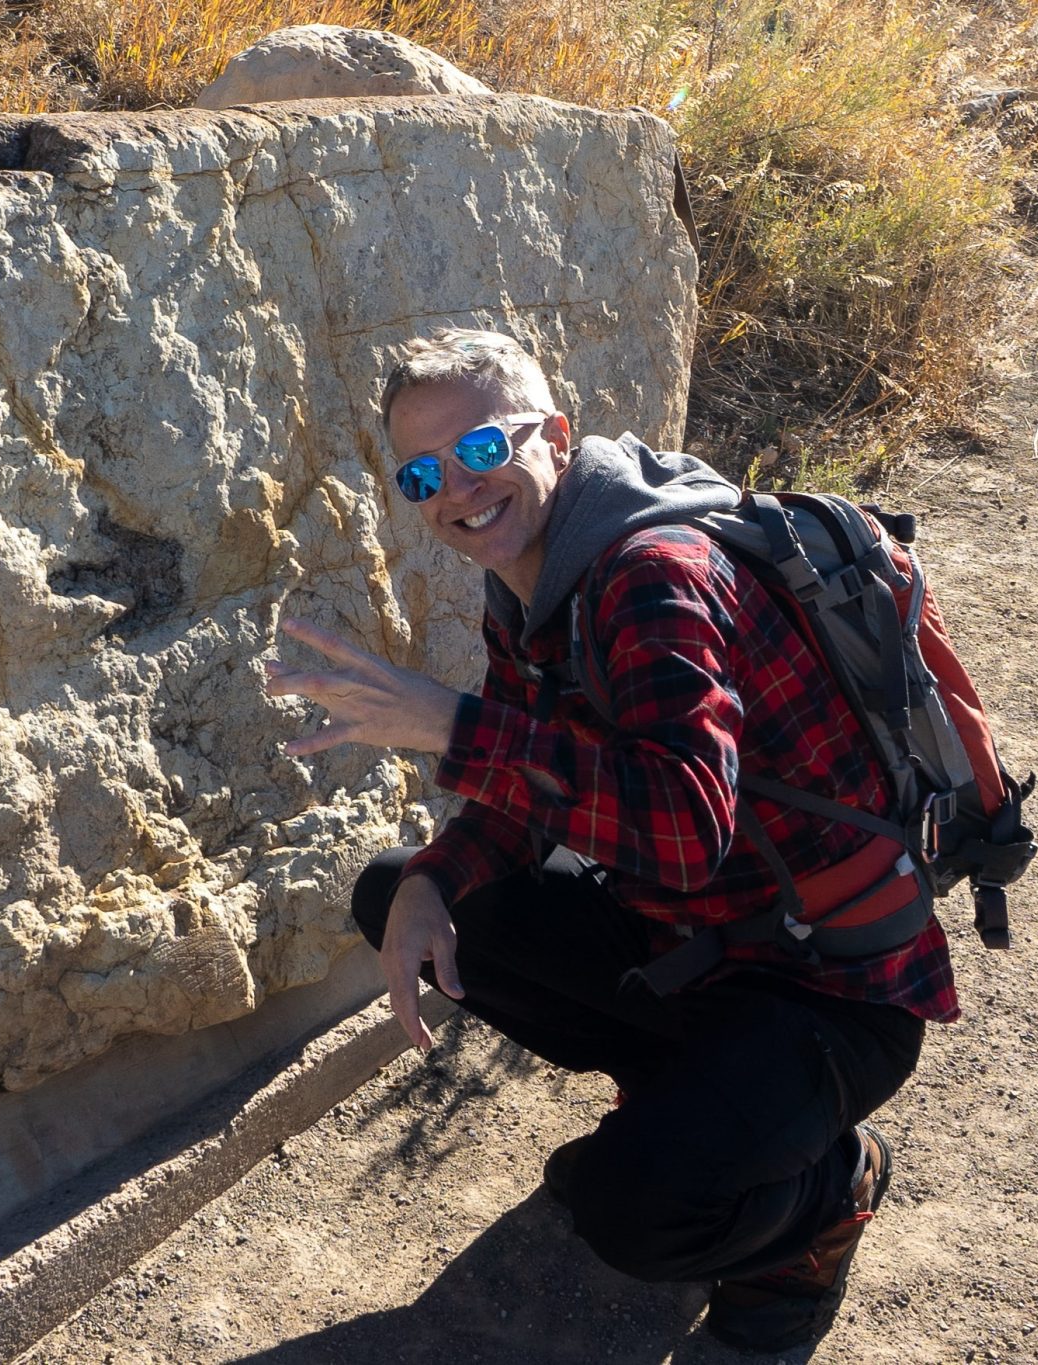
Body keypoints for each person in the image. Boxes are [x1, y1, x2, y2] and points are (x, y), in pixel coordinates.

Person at [261, 328, 955, 1353]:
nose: (455, 490)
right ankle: (686, 1100)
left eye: (481, 449)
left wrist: (452, 725)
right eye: (422, 474)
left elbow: (682, 830)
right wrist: (435, 878)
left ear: (553, 435)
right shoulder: (534, 578)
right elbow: (535, 782)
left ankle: (822, 1201)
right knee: (400, 892)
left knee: (633, 1213)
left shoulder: (650, 575)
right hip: (699, 943)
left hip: (828, 988)